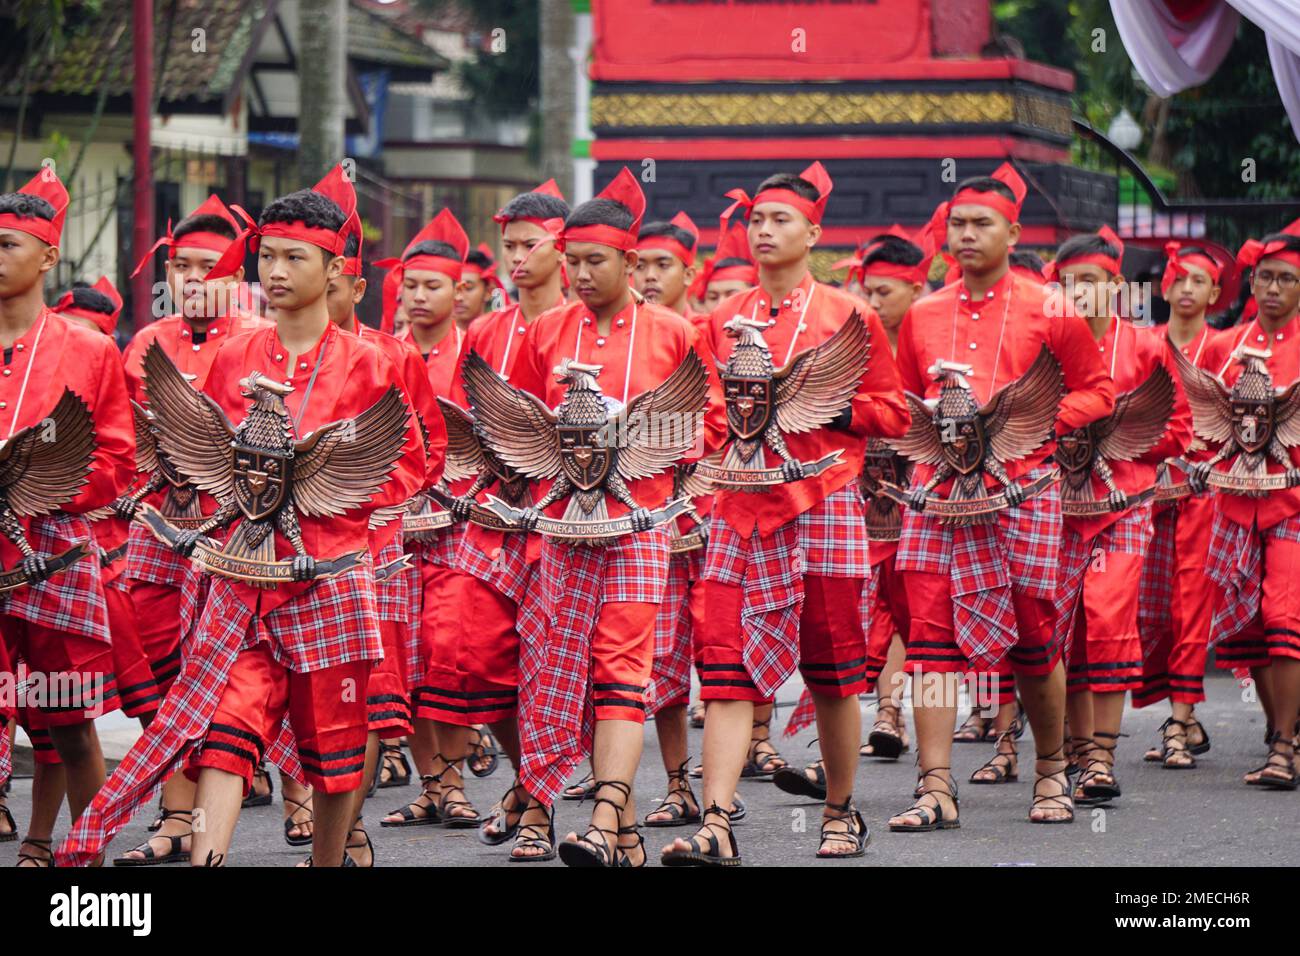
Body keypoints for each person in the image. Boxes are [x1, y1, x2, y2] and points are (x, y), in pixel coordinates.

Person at [57, 166, 425, 867]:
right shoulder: (234, 354)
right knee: (227, 726)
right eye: (268, 256)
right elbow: (218, 459)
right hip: (241, 573)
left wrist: (338, 489)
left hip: (329, 572)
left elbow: (414, 462)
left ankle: (328, 857)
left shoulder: (372, 362)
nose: (276, 271)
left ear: (337, 268)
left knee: (335, 745)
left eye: (295, 257)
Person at [665, 162, 909, 865]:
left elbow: (893, 411)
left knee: (832, 669)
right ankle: (716, 821)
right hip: (738, 508)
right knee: (724, 668)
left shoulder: (849, 316)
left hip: (825, 502)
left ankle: (840, 810)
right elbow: (702, 416)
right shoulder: (716, 319)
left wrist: (828, 409)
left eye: (779, 220)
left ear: (815, 232)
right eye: (755, 220)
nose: (764, 231)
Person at [498, 167, 726, 866]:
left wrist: (633, 437)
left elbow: (709, 424)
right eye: (572, 263)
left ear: (630, 262)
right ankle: (622, 837)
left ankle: (601, 815)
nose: (581, 275)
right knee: (565, 670)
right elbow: (521, 428)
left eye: (595, 261)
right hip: (560, 529)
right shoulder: (545, 332)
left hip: (641, 526)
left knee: (625, 666)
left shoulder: (674, 332)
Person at [887, 164, 1115, 833]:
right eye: (957, 223)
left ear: (1013, 232)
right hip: (939, 499)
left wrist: (1033, 426)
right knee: (930, 642)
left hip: (1023, 497)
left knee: (1034, 642)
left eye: (981, 223)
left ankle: (1050, 770)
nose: (966, 234)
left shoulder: (1052, 307)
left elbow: (1099, 391)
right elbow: (905, 406)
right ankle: (934, 786)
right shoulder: (924, 314)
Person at [113, 194, 271, 864]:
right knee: (154, 665)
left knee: (223, 673)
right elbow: (121, 438)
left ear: (237, 277)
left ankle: (203, 809)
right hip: (156, 530)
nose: (193, 280)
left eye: (209, 266)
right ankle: (177, 807)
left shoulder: (257, 344)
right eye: (181, 267)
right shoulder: (147, 342)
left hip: (230, 538)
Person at [0, 171, 136, 867]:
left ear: (49, 257)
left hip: (54, 551)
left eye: (7, 245)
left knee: (72, 723)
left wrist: (44, 486)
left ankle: (87, 865)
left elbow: (118, 457)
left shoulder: (89, 350)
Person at [437, 180, 571, 848]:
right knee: (469, 653)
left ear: (563, 248)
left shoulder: (578, 326)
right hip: (491, 513)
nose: (515, 257)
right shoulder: (485, 328)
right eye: (508, 245)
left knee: (546, 666)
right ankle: (529, 779)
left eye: (529, 244)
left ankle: (542, 811)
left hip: (563, 517)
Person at [778, 228, 933, 797]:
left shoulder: (927, 338)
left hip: (913, 496)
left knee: (909, 614)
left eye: (886, 291)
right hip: (848, 500)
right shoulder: (842, 333)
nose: (874, 299)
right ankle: (849, 742)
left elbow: (905, 414)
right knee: (851, 625)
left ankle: (914, 732)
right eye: (868, 287)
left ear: (915, 290)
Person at [1048, 228, 1191, 804]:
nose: (1079, 294)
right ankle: (1071, 751)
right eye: (1067, 285)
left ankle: (1102, 757)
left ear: (1114, 285)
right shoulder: (1042, 346)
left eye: (1090, 283)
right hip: (1053, 510)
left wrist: (1121, 440)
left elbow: (1180, 428)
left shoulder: (1146, 347)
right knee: (1059, 630)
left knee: (1106, 618)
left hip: (1122, 508)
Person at [324, 199, 442, 864]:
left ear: (353, 286)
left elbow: (427, 448)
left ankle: (347, 827)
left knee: (367, 691)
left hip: (372, 547)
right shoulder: (260, 354)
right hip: (290, 555)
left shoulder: (393, 354)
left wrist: (371, 500)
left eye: (328, 278)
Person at [374, 208, 482, 830]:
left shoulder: (476, 357)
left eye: (432, 285)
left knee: (449, 655)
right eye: (409, 285)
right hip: (394, 531)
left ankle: (458, 782)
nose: (418, 296)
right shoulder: (381, 354)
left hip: (460, 530)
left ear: (460, 290)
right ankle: (435, 785)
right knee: (403, 664)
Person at [1194, 223, 1300, 790]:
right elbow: (1198, 427)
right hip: (1234, 508)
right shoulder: (1222, 347)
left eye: (1288, 279)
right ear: (1251, 281)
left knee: (1285, 619)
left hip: (1294, 508)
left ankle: (1284, 745)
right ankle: (1279, 728)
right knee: (1249, 628)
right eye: (1266, 277)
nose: (1275, 289)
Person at [1136, 241, 1232, 767]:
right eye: (1180, 278)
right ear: (1163, 287)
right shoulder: (1144, 345)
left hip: (1205, 488)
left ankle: (1180, 716)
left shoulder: (1228, 348)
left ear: (1215, 292)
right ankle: (1183, 717)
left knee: (1191, 601)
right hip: (1147, 488)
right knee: (1150, 607)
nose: (1188, 289)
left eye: (1199, 280)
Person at [634, 212, 699, 317]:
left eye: (663, 265)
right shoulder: (623, 330)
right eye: (640, 267)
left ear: (688, 275)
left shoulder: (706, 331)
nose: (650, 276)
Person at [454, 243, 506, 332]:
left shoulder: (501, 335)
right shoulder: (433, 337)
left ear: (488, 292)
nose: (459, 297)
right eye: (454, 288)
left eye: (468, 287)